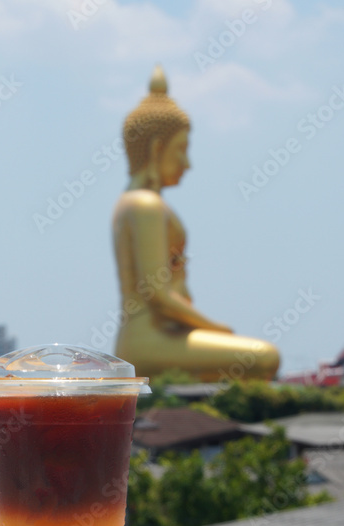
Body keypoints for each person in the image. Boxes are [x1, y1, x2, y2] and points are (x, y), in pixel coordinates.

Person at [112, 65, 280, 382]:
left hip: (156, 336)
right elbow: (158, 296)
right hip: (149, 340)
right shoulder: (145, 205)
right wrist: (217, 328)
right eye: (182, 150)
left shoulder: (130, 203)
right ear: (156, 148)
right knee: (264, 356)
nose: (187, 164)